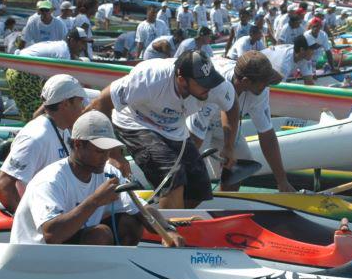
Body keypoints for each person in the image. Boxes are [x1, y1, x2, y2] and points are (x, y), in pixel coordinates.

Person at [87, 51, 237, 210]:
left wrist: (229, 146)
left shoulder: (216, 86)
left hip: (173, 128)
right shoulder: (150, 78)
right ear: (182, 80)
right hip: (136, 122)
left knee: (200, 188)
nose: (209, 86)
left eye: (211, 80)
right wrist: (114, 154)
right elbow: (100, 104)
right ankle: (170, 220)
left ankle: (167, 216)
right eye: (203, 83)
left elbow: (232, 106)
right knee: (172, 175)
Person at [9, 111, 155, 246]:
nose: (106, 157)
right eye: (99, 151)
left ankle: (117, 265)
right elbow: (51, 235)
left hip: (63, 249)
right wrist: (96, 200)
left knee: (131, 222)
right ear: (78, 144)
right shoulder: (50, 180)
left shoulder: (109, 172)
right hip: (34, 254)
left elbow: (142, 209)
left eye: (108, 151)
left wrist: (165, 229)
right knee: (100, 235)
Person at [188, 51, 294, 192]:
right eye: (264, 83)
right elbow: (194, 139)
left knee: (240, 166)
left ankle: (226, 199)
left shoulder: (260, 91)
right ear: (245, 81)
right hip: (196, 118)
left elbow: (267, 134)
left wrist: (282, 181)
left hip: (222, 124)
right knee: (193, 171)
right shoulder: (214, 86)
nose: (267, 86)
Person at [0, 75, 90, 212]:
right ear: (65, 104)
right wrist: (28, 220)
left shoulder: (63, 129)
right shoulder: (35, 137)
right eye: (80, 102)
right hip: (45, 218)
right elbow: (2, 186)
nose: (83, 108)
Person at [8, 28, 90, 121]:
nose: (84, 47)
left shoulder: (62, 47)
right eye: (82, 43)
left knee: (40, 105)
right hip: (21, 72)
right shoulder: (63, 53)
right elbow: (63, 84)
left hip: (20, 70)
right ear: (72, 41)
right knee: (36, 110)